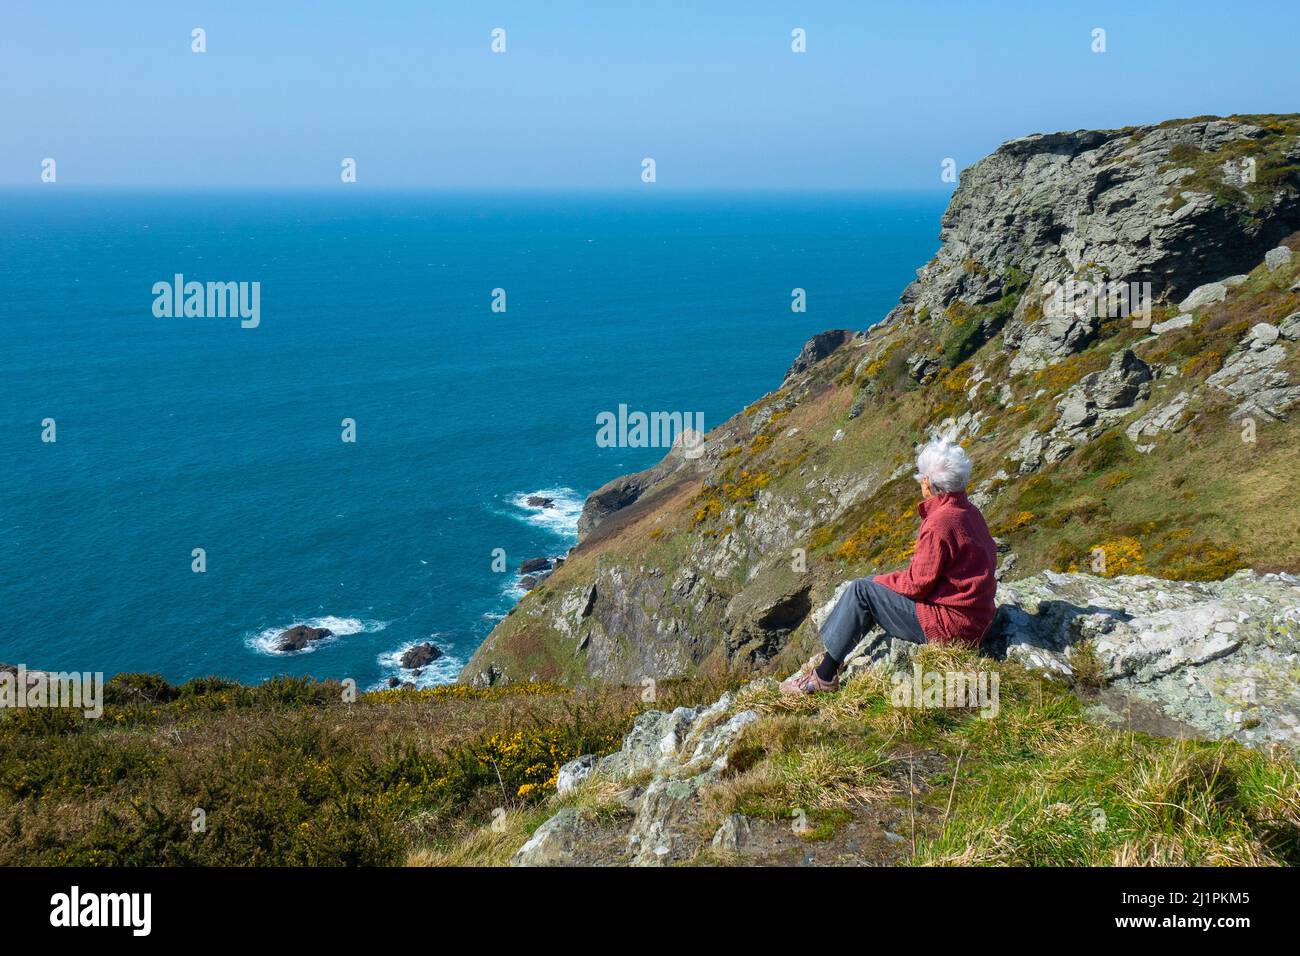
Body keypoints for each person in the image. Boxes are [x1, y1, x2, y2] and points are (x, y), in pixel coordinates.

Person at [780, 435, 998, 695]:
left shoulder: (940, 522)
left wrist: (880, 581)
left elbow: (918, 584)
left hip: (951, 627)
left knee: (861, 591)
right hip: (976, 621)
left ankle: (824, 676)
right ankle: (831, 660)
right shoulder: (970, 512)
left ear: (928, 483)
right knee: (872, 588)